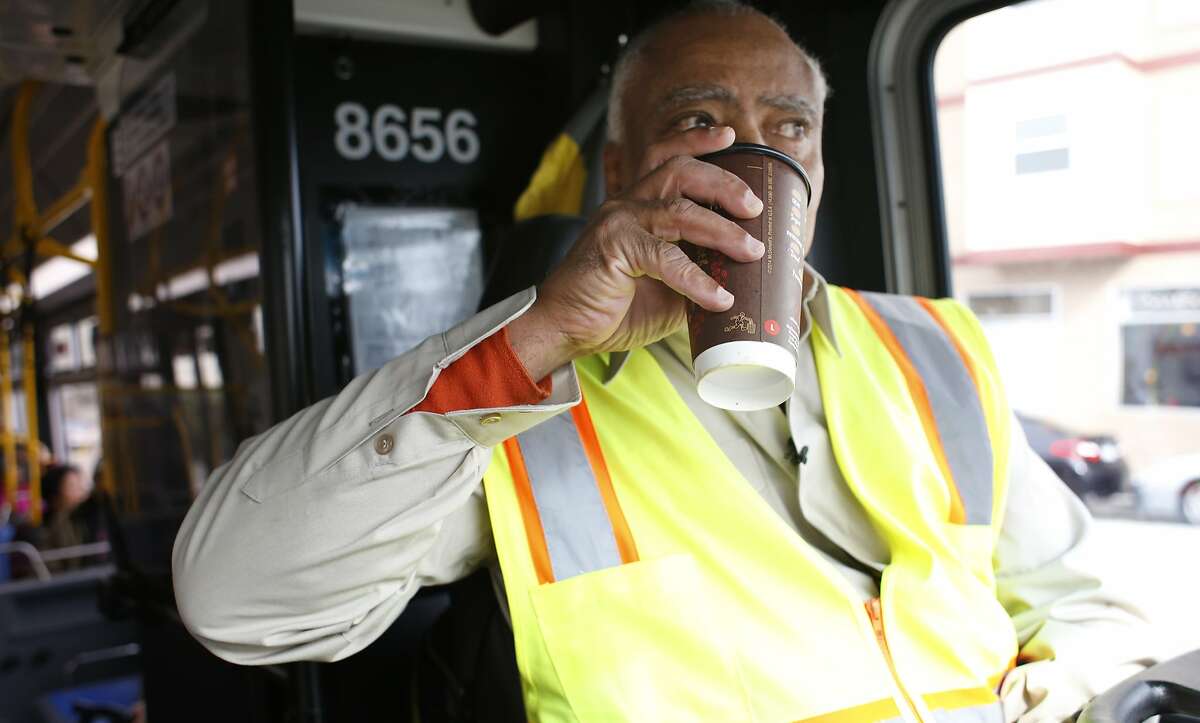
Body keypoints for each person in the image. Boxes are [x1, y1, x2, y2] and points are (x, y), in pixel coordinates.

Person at [173, 2, 1156, 721]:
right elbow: (236, 603)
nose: (749, 150)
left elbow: (1077, 598)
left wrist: (1071, 674)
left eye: (789, 128)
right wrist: (537, 338)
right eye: (699, 122)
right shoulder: (521, 387)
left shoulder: (930, 347)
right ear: (619, 172)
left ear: (815, 172)